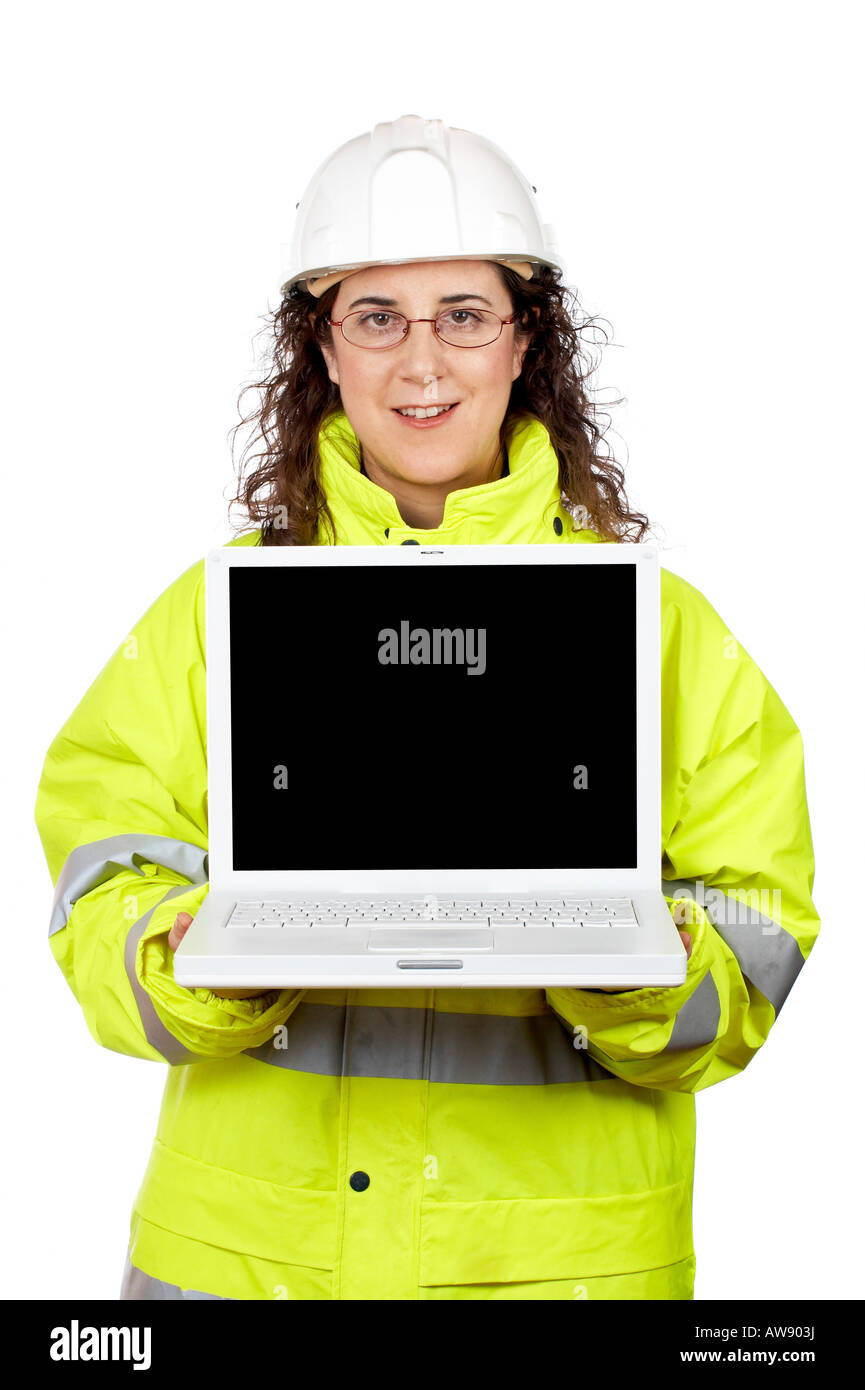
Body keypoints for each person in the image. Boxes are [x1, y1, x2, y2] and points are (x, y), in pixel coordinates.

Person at [34, 115, 820, 1301]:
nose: (421, 364)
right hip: (251, 1265)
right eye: (377, 318)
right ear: (325, 348)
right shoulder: (211, 621)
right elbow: (101, 875)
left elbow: (761, 941)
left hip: (560, 1269)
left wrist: (630, 957)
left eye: (463, 315)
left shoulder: (664, 633)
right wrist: (196, 957)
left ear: (522, 344)